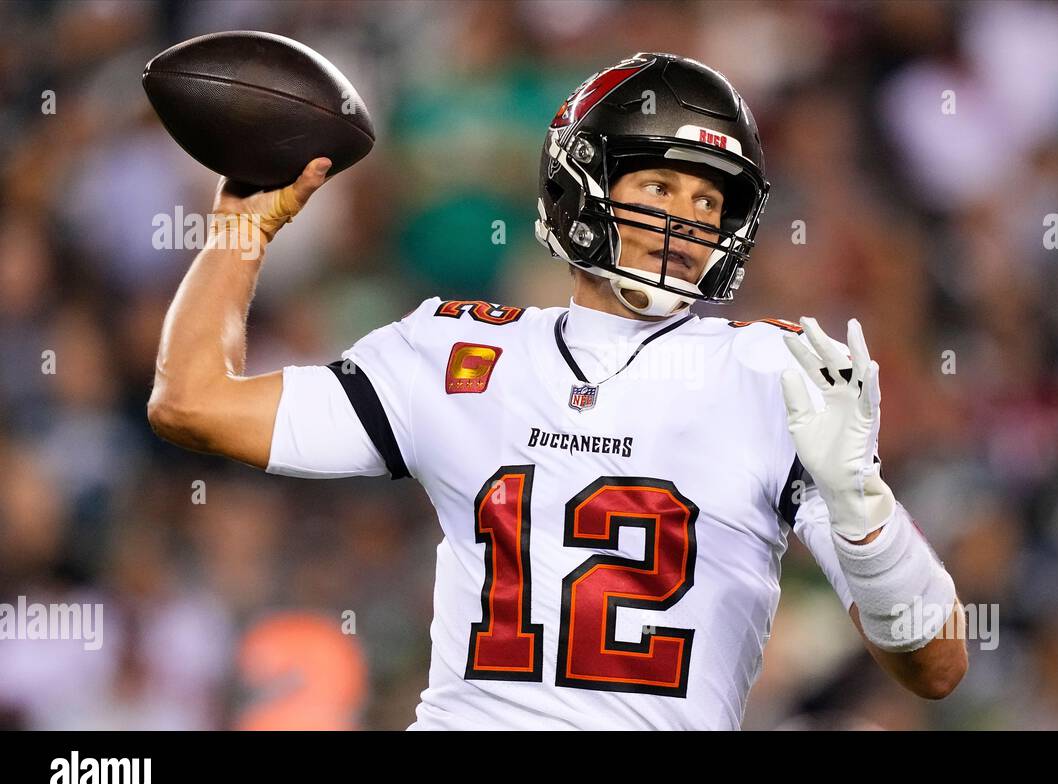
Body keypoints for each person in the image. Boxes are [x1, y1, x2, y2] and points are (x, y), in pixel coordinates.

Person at [148, 52, 967, 730]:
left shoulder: (773, 376)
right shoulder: (455, 350)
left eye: (710, 200)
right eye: (660, 188)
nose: (688, 222)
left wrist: (863, 509)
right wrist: (240, 233)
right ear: (581, 184)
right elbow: (193, 401)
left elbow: (935, 665)